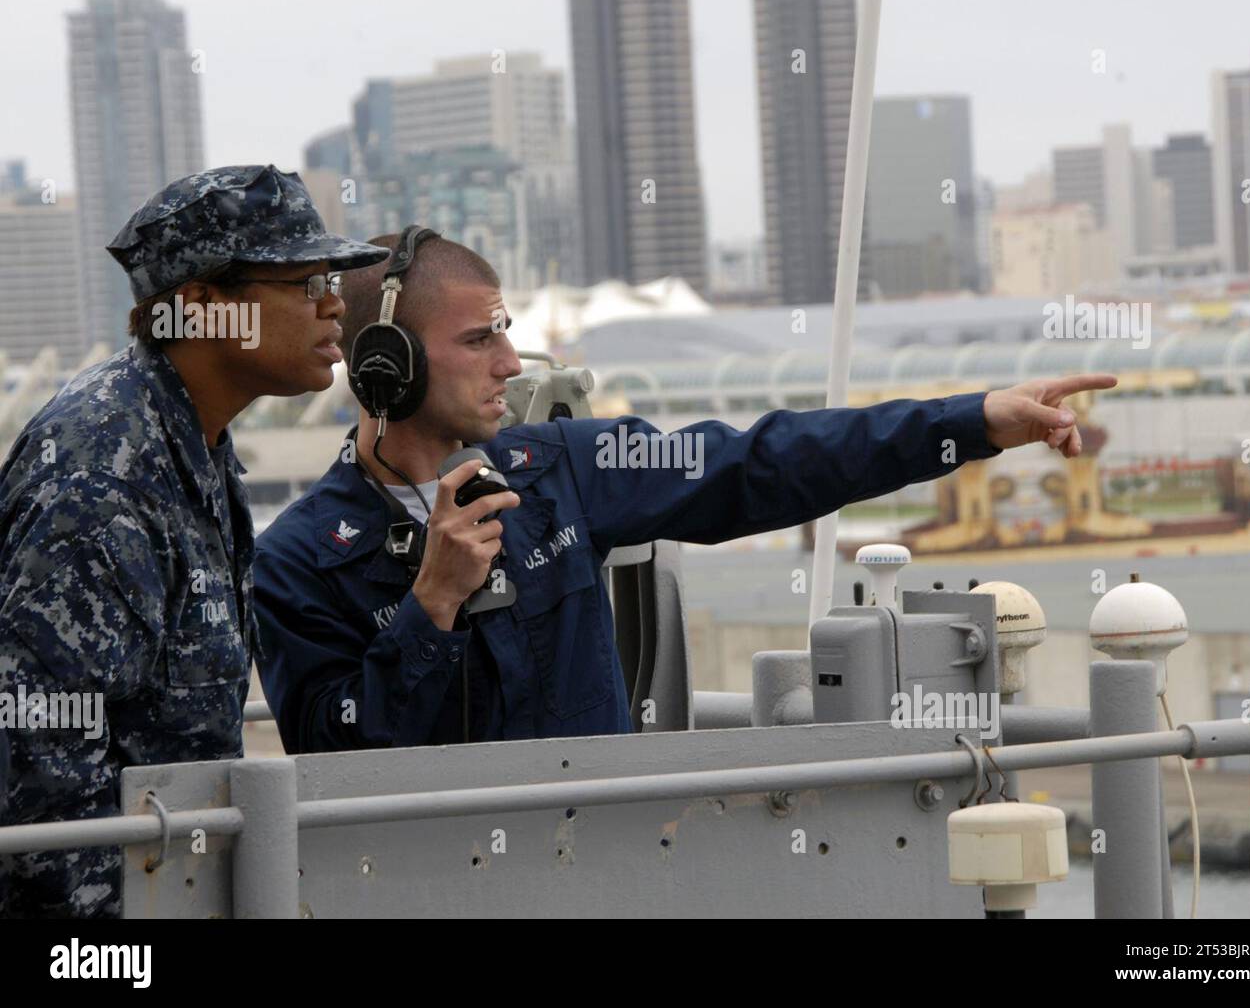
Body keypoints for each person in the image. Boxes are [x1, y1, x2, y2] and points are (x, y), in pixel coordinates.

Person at [253, 228, 1116, 755]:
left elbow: (758, 461)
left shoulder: (556, 470)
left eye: (506, 334)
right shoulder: (294, 563)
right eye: (479, 340)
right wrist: (429, 607)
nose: (512, 366)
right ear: (387, 366)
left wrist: (971, 422)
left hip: (608, 862)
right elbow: (337, 757)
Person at [0, 164, 389, 918]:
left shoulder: (190, 440)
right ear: (205, 310)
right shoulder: (102, 473)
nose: (335, 306)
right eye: (306, 285)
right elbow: (41, 790)